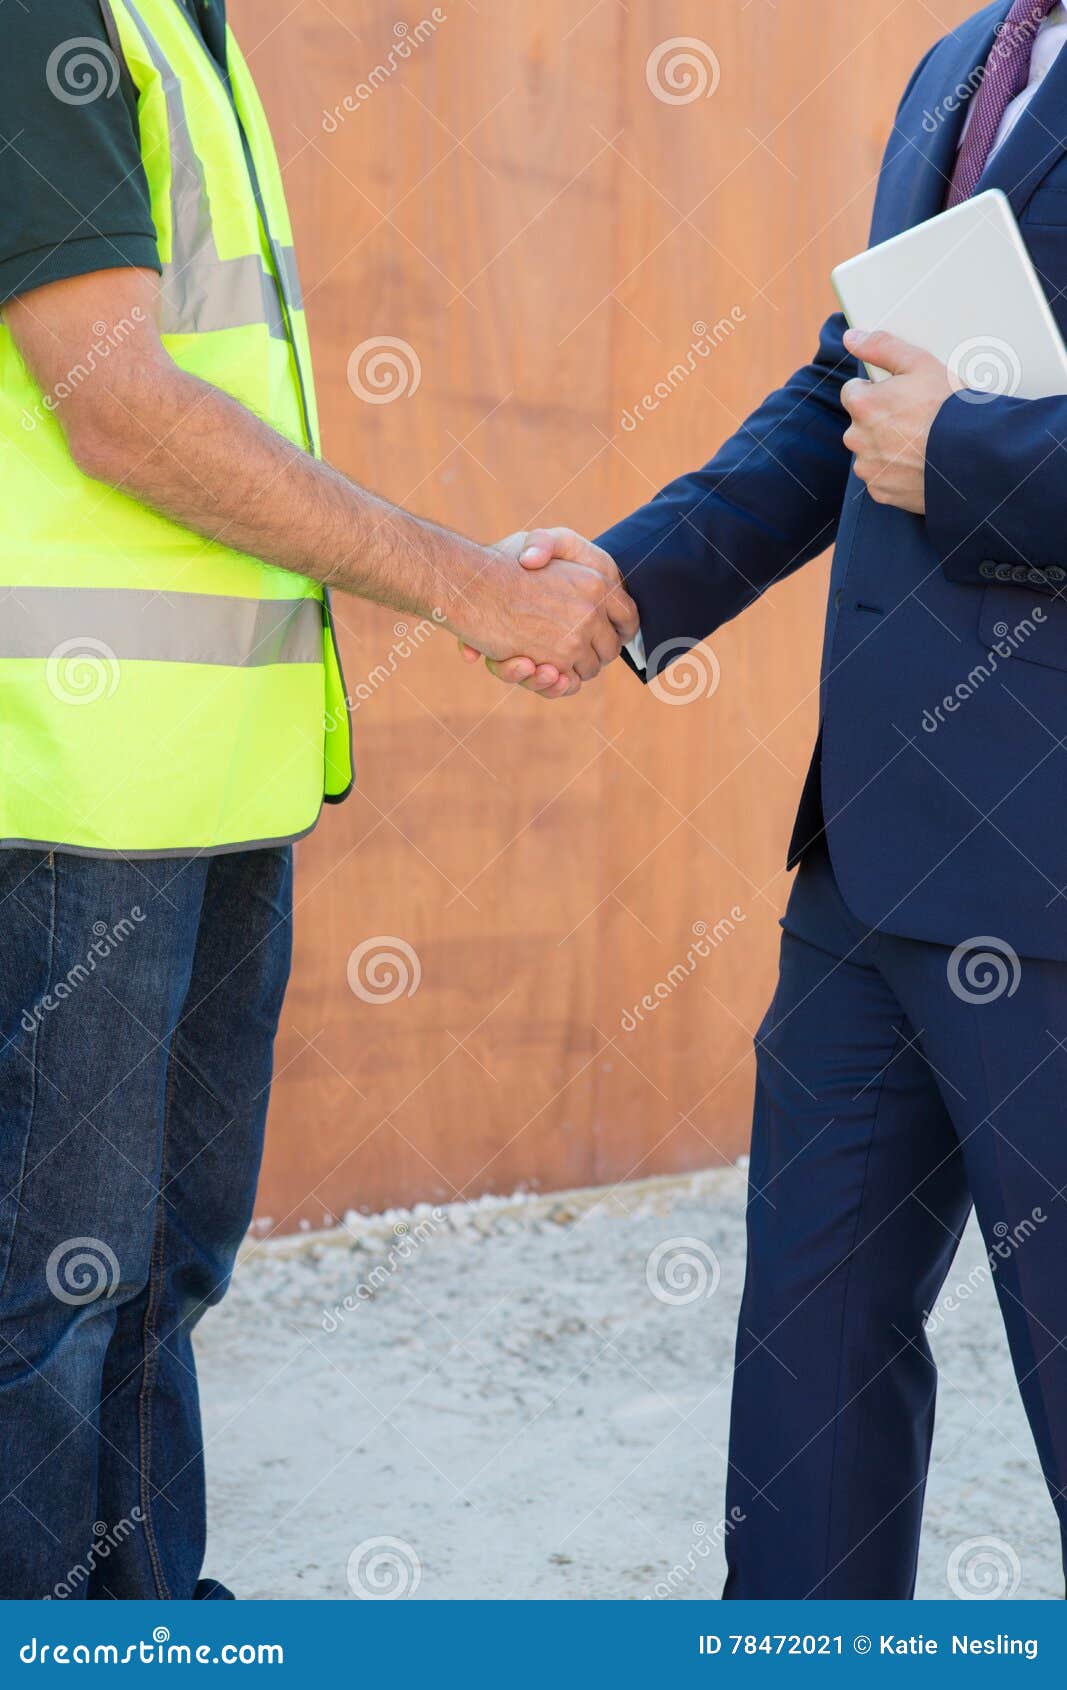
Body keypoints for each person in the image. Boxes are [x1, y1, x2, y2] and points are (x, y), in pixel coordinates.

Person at [0, 0, 637, 1599]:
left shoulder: (176, 25)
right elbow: (115, 398)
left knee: (165, 1275)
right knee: (49, 1295)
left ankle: (151, 1619)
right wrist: (467, 588)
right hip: (73, 785)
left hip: (214, 783)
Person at [475, 0, 1067, 1598]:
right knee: (810, 1372)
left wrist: (976, 452)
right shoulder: (967, 60)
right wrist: (630, 574)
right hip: (865, 860)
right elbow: (847, 397)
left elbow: (928, 435)